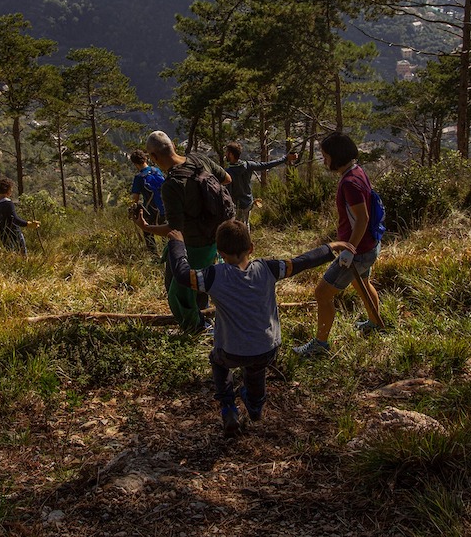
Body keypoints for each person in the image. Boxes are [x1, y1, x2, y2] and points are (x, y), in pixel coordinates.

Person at [168, 222, 349, 435]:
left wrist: (177, 245)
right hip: (267, 349)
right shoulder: (267, 269)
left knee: (218, 361)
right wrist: (330, 247)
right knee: (256, 368)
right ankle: (255, 406)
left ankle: (228, 408)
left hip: (231, 351)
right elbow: (301, 262)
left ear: (220, 252)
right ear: (251, 248)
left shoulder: (212, 276)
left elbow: (181, 273)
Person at [294, 132, 384, 357]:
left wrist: (349, 251)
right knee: (362, 282)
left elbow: (361, 219)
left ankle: (320, 345)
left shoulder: (350, 183)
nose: (324, 161)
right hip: (368, 245)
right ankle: (375, 323)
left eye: (326, 156)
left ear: (336, 156)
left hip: (358, 250)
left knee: (322, 293)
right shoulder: (357, 171)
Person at [134, 130, 232, 335]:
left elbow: (174, 229)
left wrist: (146, 228)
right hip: (214, 237)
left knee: (177, 288)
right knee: (203, 280)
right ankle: (204, 315)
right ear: (173, 147)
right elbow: (227, 179)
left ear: (153, 157)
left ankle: (194, 327)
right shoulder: (200, 160)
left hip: (192, 245)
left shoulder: (171, 185)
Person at [224, 142, 298, 228]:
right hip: (248, 203)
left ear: (231, 155)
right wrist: (285, 158)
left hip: (236, 205)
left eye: (227, 152)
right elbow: (267, 165)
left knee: (235, 227)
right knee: (246, 225)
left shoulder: (228, 172)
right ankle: (247, 240)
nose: (226, 154)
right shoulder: (248, 165)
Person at [129, 149, 167, 255]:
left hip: (151, 210)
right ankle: (168, 255)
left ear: (135, 163)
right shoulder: (157, 171)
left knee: (147, 231)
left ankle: (154, 255)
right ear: (145, 158)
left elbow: (135, 198)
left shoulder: (139, 178)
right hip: (165, 208)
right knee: (166, 232)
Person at [0, 177, 39, 255]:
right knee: (22, 253)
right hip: (13, 232)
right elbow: (15, 219)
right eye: (11, 189)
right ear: (7, 190)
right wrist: (29, 224)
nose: (12, 191)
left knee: (10, 254)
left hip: (1, 232)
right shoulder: (8, 203)